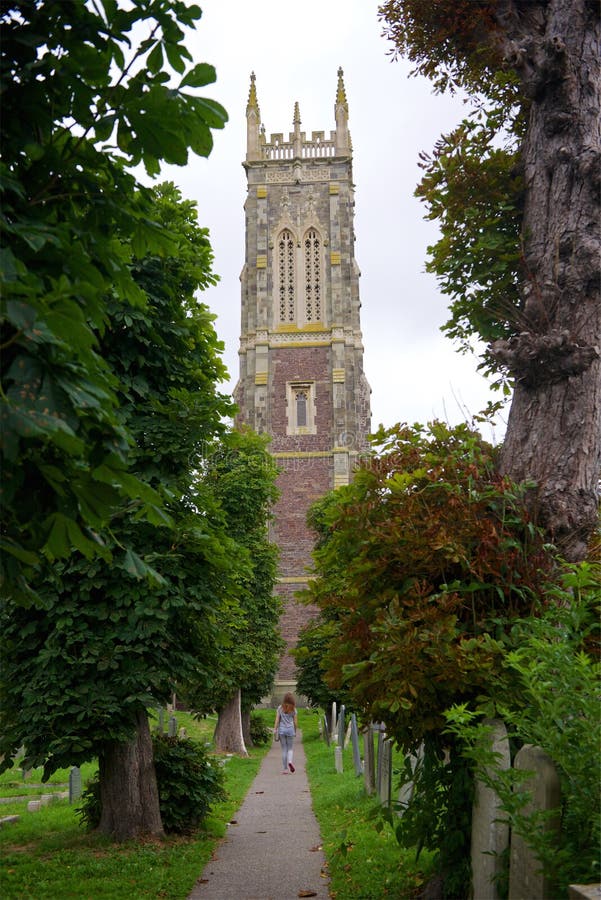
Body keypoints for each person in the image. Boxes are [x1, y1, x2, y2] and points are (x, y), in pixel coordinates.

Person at [274, 692, 298, 774]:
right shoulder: (294, 709)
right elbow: (295, 722)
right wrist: (295, 731)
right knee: (290, 749)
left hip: (282, 731)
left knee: (284, 749)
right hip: (290, 730)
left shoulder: (280, 708)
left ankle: (285, 769)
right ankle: (290, 762)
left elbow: (277, 720)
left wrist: (275, 729)